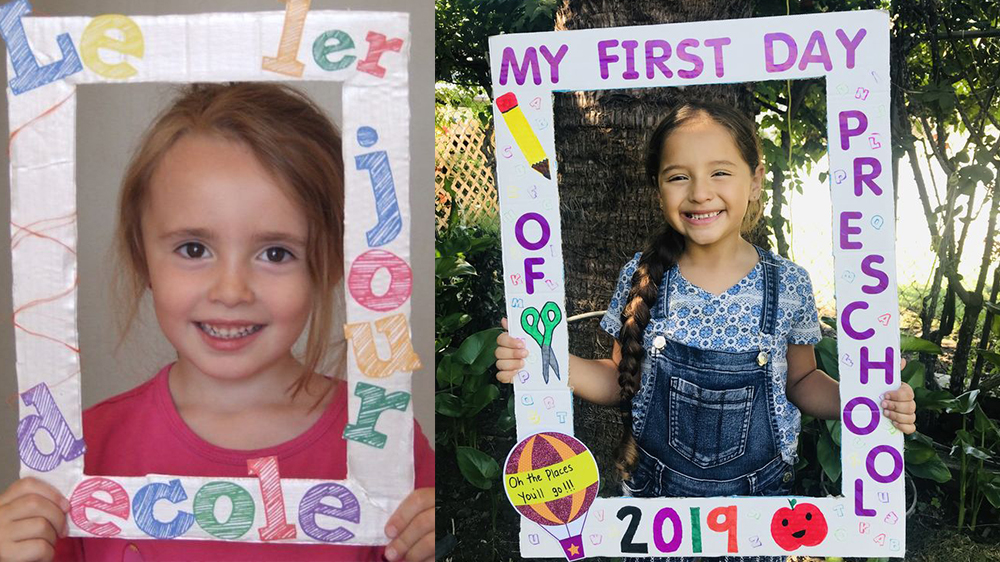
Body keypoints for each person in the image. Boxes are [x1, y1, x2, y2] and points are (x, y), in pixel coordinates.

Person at [0, 83, 433, 562]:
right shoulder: (80, 452)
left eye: (275, 253)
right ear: (143, 260)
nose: (231, 291)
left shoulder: (385, 442)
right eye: (193, 249)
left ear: (331, 265)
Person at [495, 100, 916, 561]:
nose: (699, 192)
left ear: (754, 181)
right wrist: (542, 360)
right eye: (678, 176)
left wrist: (868, 400)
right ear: (659, 189)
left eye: (720, 172)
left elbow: (801, 381)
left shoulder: (789, 284)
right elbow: (618, 379)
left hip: (756, 514)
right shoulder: (642, 277)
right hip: (655, 509)